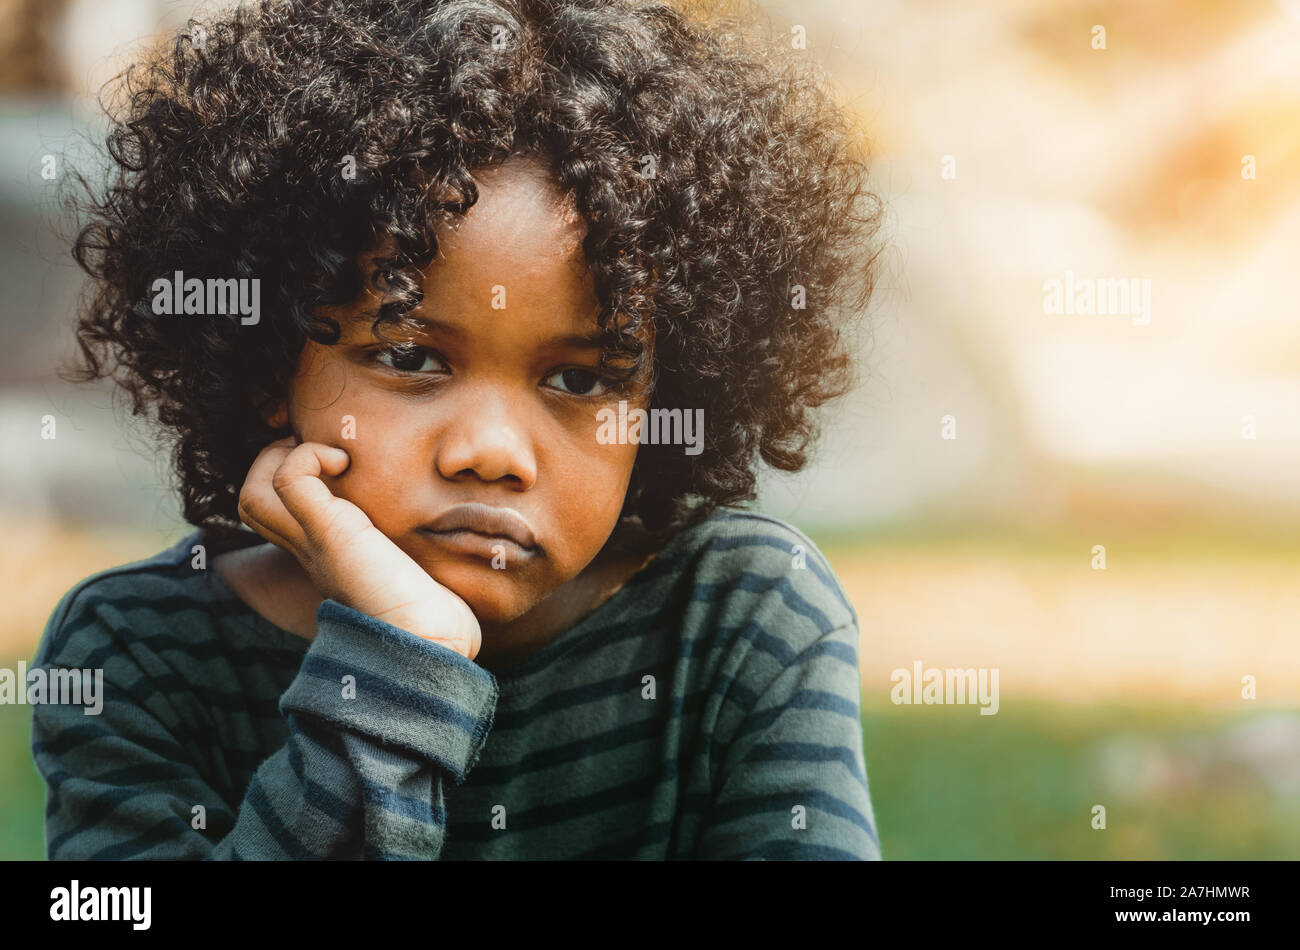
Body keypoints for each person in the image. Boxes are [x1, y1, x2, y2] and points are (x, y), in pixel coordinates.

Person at [33, 0, 884, 859]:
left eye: (579, 379)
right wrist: (397, 667)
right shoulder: (138, 652)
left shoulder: (743, 620)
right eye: (410, 359)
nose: (491, 452)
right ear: (266, 366)